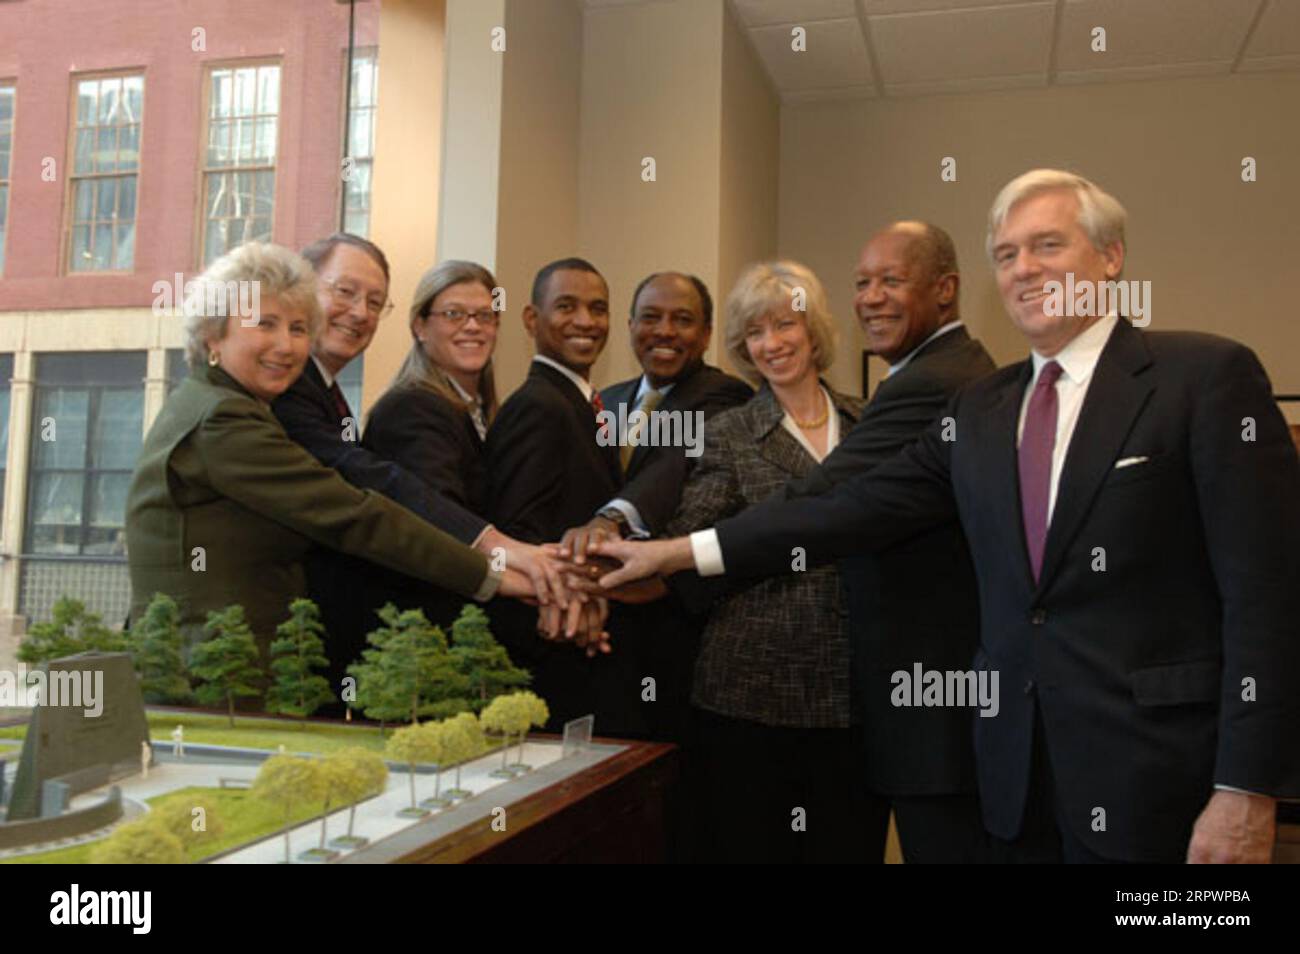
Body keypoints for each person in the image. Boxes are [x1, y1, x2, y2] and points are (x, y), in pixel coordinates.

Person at [595, 170, 1300, 864]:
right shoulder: (982, 408)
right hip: (1012, 786)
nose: (1024, 269)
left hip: (1160, 784)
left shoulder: (1204, 377)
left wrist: (1246, 786)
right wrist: (677, 554)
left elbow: (1268, 597)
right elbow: (846, 506)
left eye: (1048, 246)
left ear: (1110, 257)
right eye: (1006, 254)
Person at [126, 242, 534, 675]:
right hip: (211, 675)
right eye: (265, 324)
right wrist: (496, 574)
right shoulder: (223, 418)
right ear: (213, 334)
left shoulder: (227, 402)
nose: (285, 346)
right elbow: (353, 515)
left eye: (299, 329)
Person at [762, 222, 994, 863]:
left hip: (932, 706)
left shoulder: (929, 383)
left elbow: (822, 501)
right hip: (892, 703)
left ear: (945, 290)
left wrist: (675, 558)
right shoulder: (933, 375)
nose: (871, 297)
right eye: (862, 283)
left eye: (891, 280)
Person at [271, 236, 560, 687]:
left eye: (374, 301)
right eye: (344, 292)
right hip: (309, 640)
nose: (360, 312)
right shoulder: (293, 388)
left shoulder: (325, 390)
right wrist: (507, 557)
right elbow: (385, 489)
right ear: (419, 326)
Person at [662, 261, 868, 862]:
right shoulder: (728, 432)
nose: (772, 344)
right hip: (752, 691)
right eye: (756, 333)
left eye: (785, 324)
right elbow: (688, 542)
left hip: (855, 689)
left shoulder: (869, 421)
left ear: (815, 329)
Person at [558, 272, 750, 744]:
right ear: (630, 326)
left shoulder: (724, 397)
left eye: (682, 320)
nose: (664, 331)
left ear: (705, 335)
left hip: (678, 634)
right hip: (603, 637)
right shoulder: (610, 400)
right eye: (651, 317)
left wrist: (611, 518)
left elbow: (673, 459)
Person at [485, 258, 620, 731]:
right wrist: (573, 602)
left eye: (598, 309)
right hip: (548, 649)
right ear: (531, 319)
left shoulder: (581, 403)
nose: (585, 321)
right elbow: (520, 530)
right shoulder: (538, 406)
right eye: (566, 306)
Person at [351, 261, 500, 645]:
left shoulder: (478, 410)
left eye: (485, 315)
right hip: (424, 639)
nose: (472, 326)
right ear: (420, 326)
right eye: (454, 314)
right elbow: (442, 527)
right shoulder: (412, 409)